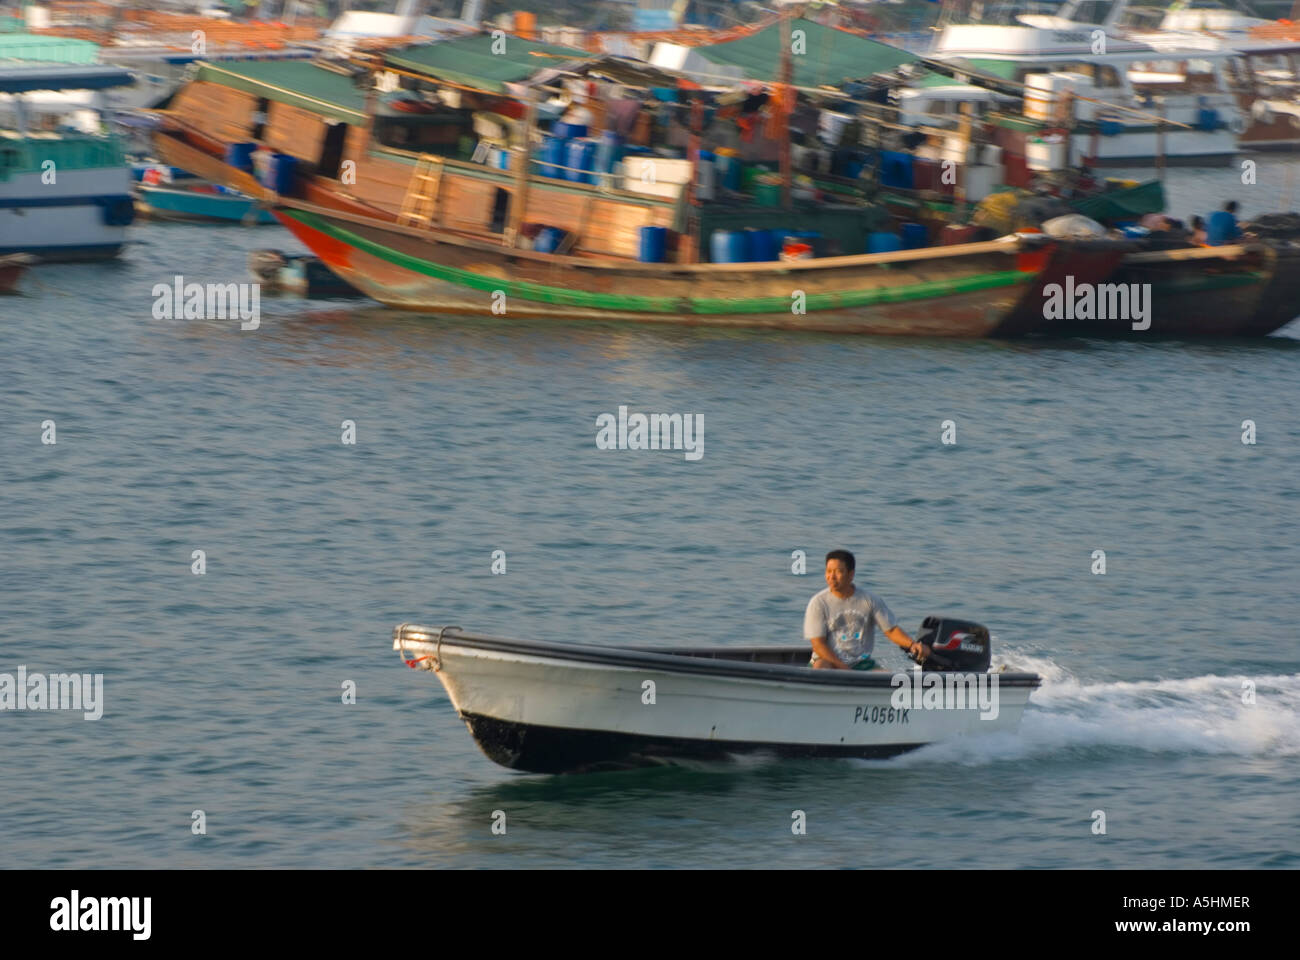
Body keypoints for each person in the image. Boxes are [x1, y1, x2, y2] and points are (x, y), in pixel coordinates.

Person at [804, 550, 929, 669]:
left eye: (838, 571)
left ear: (851, 574)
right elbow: (818, 645)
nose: (832, 576)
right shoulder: (818, 603)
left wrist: (912, 645)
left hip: (860, 663)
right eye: (828, 571)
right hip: (826, 660)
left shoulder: (869, 600)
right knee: (821, 668)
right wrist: (844, 669)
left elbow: (890, 630)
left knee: (887, 679)